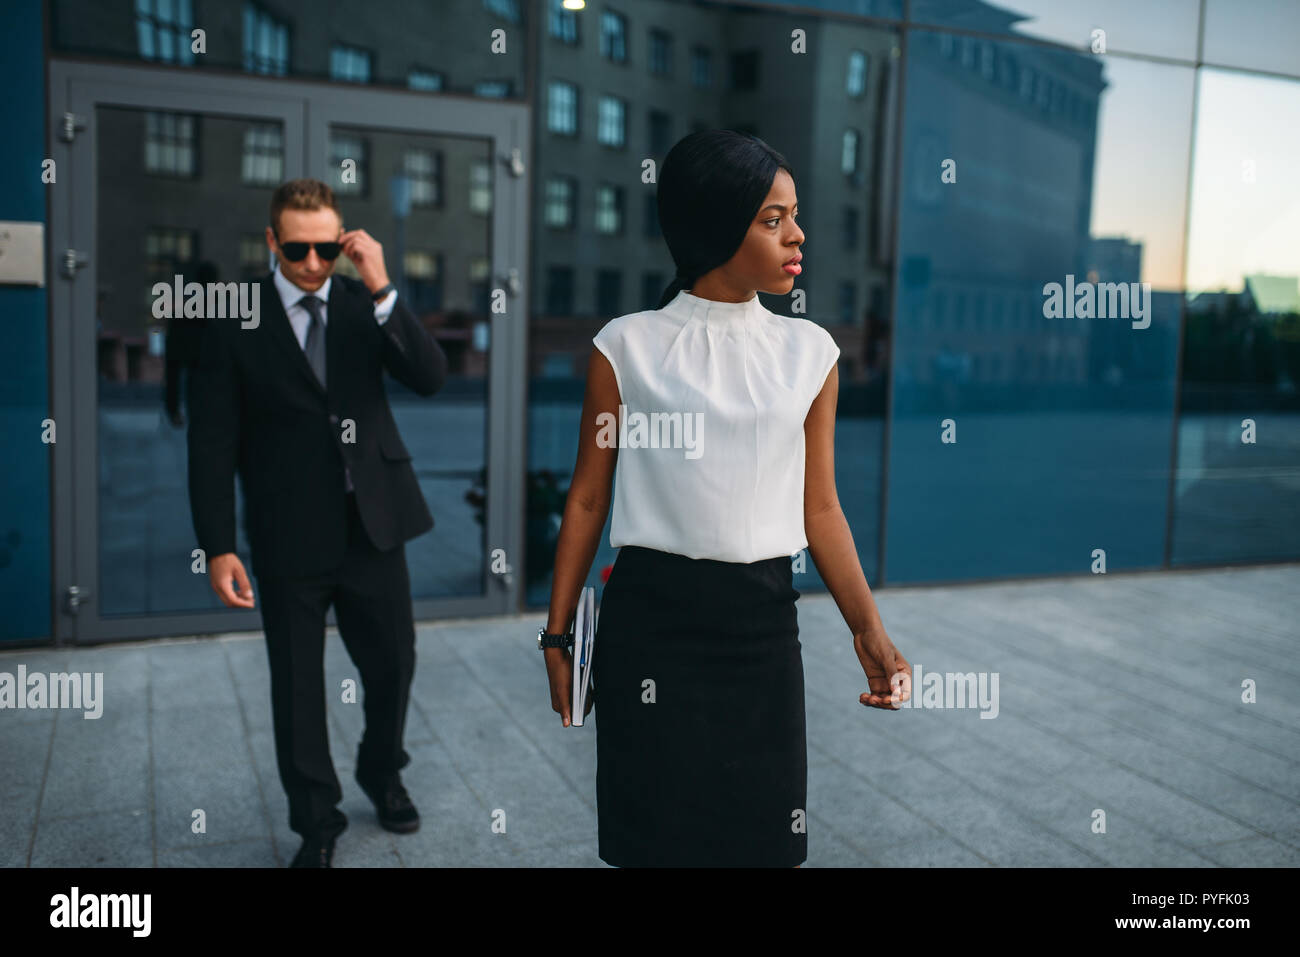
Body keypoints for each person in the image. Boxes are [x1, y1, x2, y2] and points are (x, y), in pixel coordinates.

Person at [540, 130, 912, 867]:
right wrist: (557, 635)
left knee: (763, 844)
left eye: (794, 215)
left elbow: (822, 509)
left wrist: (869, 632)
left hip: (762, 631)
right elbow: (587, 499)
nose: (797, 234)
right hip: (650, 628)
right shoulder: (627, 346)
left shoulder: (812, 353)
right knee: (656, 847)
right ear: (714, 226)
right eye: (772, 219)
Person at [187, 178, 448, 867]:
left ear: (343, 240)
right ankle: (317, 823)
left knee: (393, 663)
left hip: (374, 522)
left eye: (325, 247)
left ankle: (381, 770)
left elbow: (430, 376)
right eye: (296, 247)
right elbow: (211, 442)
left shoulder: (367, 302)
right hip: (287, 533)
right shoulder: (232, 317)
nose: (311, 262)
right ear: (272, 241)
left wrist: (385, 285)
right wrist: (217, 547)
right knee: (299, 685)